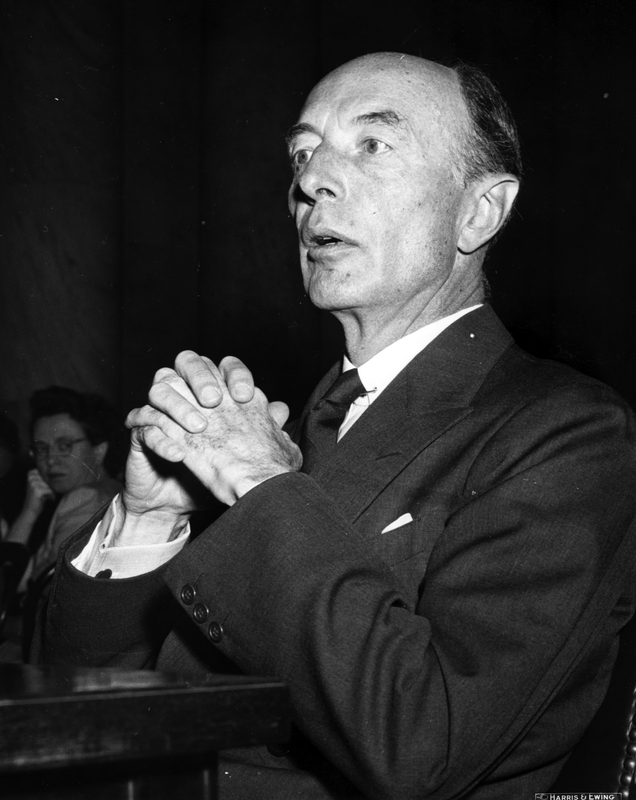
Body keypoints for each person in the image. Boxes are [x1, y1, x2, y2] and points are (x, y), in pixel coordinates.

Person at [39, 54, 636, 799]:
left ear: (479, 211)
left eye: (372, 145)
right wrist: (147, 518)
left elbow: (422, 743)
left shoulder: (566, 432)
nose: (311, 180)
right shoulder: (278, 432)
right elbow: (79, 709)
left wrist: (260, 483)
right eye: (302, 152)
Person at [6, 386, 122, 582]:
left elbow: (9, 585)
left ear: (99, 450)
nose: (51, 460)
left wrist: (28, 512)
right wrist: (30, 510)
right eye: (41, 449)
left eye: (64, 446)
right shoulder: (111, 490)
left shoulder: (85, 498)